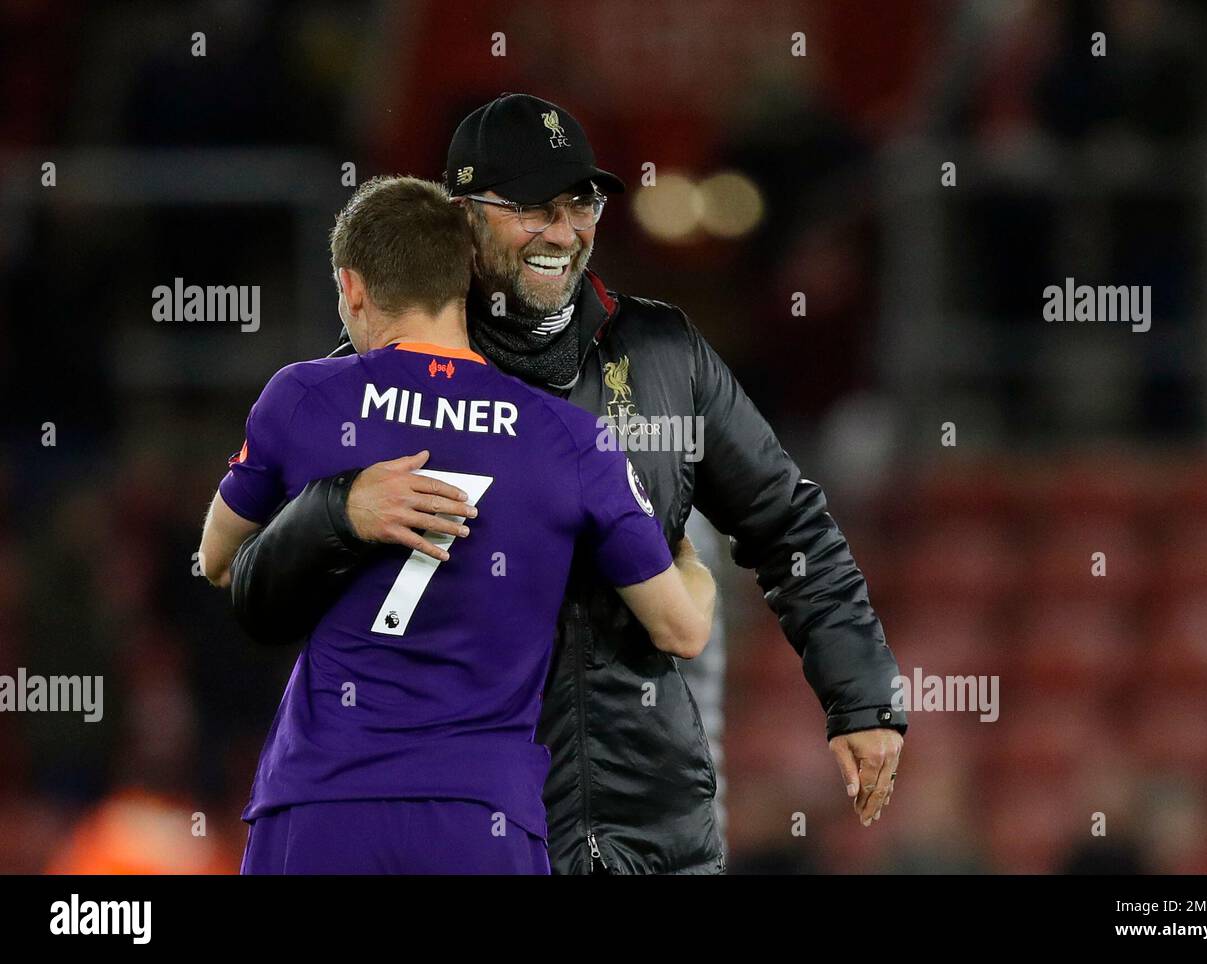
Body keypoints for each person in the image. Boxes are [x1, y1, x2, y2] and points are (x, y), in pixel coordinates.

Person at [227, 94, 906, 875]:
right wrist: (336, 512)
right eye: (528, 206)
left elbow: (787, 524)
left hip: (651, 829)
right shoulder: (368, 385)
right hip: (478, 829)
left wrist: (861, 696)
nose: (562, 231)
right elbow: (257, 599)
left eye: (579, 201)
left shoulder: (662, 355)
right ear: (459, 215)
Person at [198, 175, 715, 874]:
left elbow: (220, 559)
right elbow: (681, 629)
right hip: (481, 817)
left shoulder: (302, 398)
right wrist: (693, 563)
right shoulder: (569, 438)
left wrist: (336, 508)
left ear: (351, 286)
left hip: (322, 803)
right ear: (468, 278)